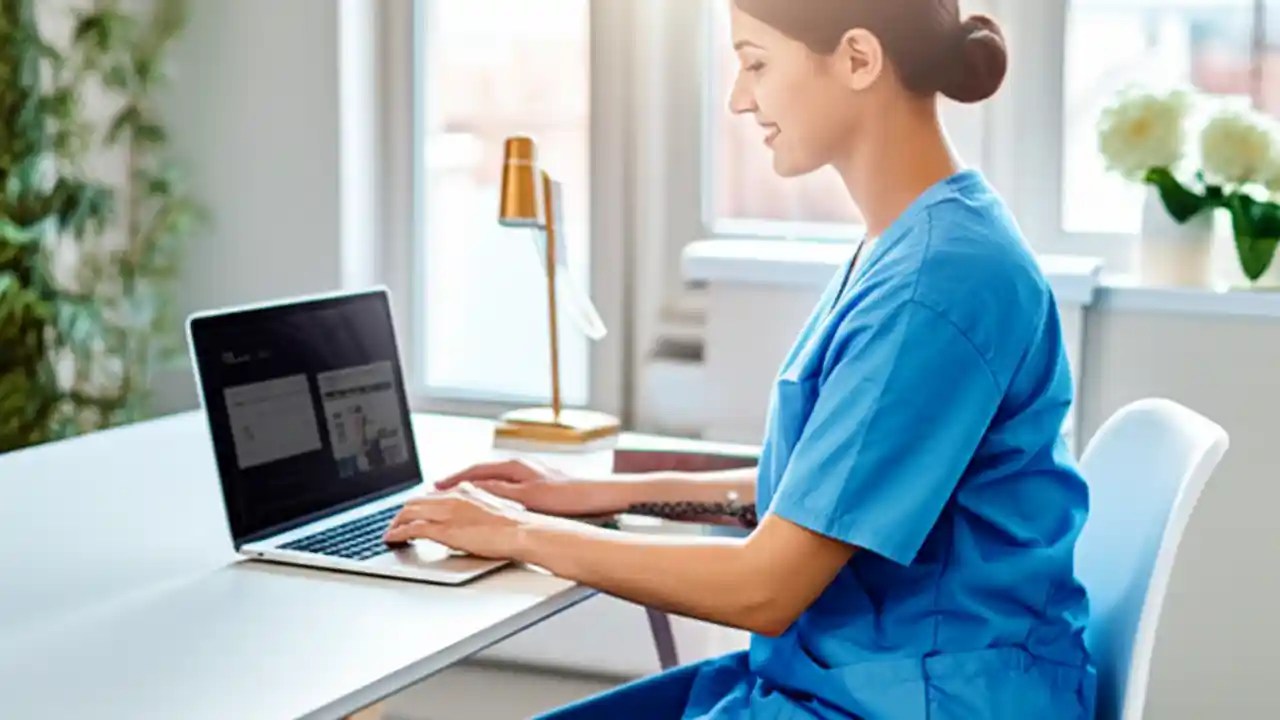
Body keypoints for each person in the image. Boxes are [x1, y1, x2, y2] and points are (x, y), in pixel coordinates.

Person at [384, 0, 1096, 717]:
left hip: (917, 697)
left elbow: (767, 586)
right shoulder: (918, 239)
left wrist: (518, 533)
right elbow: (827, 489)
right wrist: (604, 492)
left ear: (858, 58)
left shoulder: (937, 283)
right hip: (857, 673)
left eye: (756, 62)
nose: (738, 96)